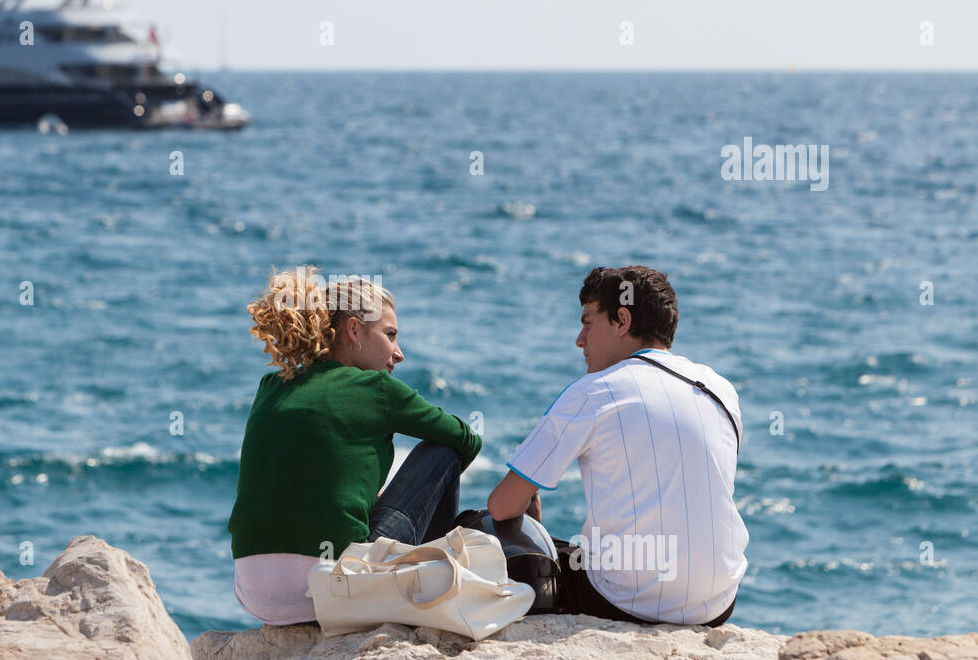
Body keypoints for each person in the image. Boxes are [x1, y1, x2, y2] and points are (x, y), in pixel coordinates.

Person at [486, 265, 747, 627]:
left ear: (622, 320)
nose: (580, 340)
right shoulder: (720, 389)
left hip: (626, 603)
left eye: (588, 323)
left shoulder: (593, 391)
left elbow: (502, 507)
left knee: (483, 528)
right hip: (716, 604)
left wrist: (532, 525)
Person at [227, 266, 482, 625]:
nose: (398, 353)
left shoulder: (271, 386)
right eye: (390, 335)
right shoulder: (375, 389)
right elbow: (466, 438)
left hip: (256, 596)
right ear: (353, 331)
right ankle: (433, 593)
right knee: (442, 451)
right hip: (333, 590)